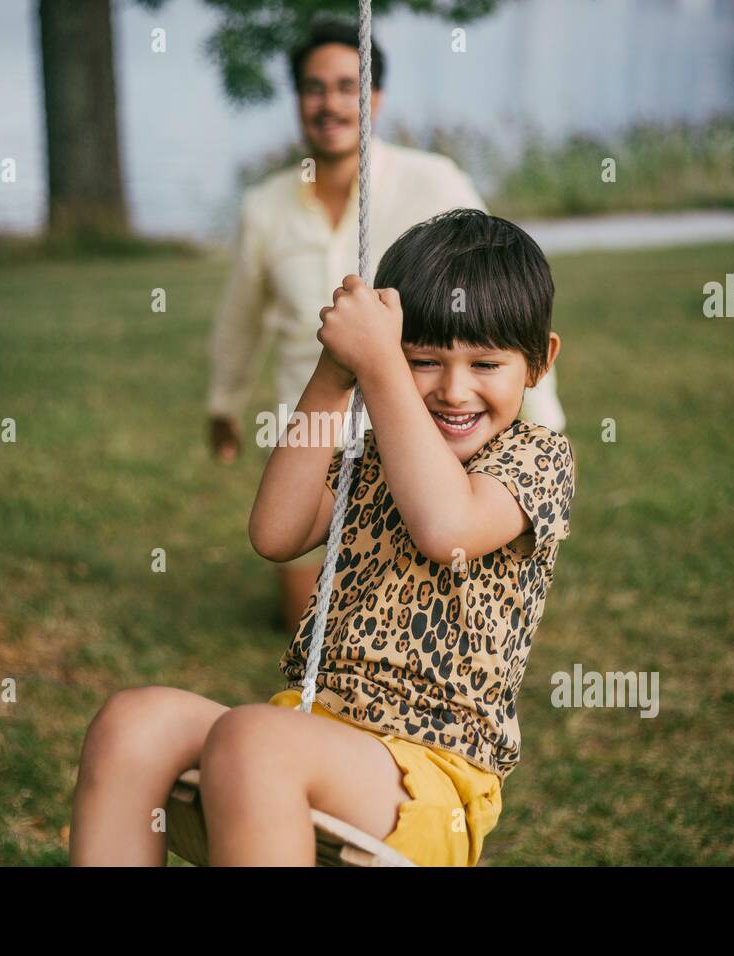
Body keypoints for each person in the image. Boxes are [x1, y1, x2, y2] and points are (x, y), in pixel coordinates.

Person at [71, 208, 575, 866]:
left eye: (485, 363)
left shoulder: (535, 460)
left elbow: (444, 526)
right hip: (308, 737)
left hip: (428, 776)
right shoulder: (372, 461)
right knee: (131, 722)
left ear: (539, 363)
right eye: (422, 360)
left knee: (253, 739)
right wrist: (335, 374)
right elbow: (275, 532)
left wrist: (384, 368)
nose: (455, 390)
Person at [207, 19, 565, 635]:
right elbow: (240, 317)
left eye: (348, 85)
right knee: (309, 625)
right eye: (314, 88)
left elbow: (495, 309)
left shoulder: (435, 181)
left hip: (427, 425)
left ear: (374, 97)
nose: (331, 102)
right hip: (322, 425)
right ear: (298, 100)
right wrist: (230, 400)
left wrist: (542, 412)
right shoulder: (266, 205)